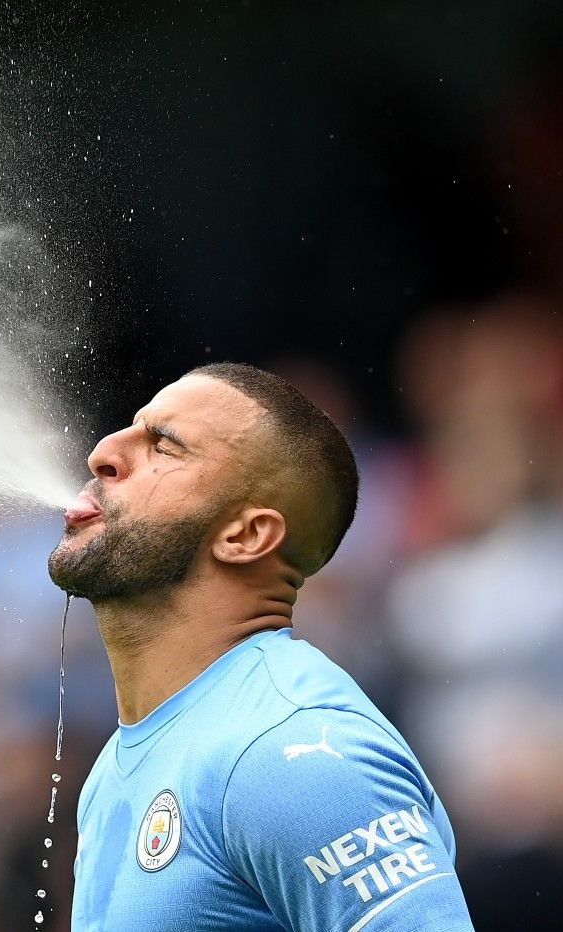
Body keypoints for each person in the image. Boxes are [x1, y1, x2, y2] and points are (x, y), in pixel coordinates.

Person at [49, 363, 474, 930]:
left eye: (165, 447)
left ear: (245, 536)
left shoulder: (293, 752)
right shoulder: (119, 764)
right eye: (130, 429)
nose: (103, 452)